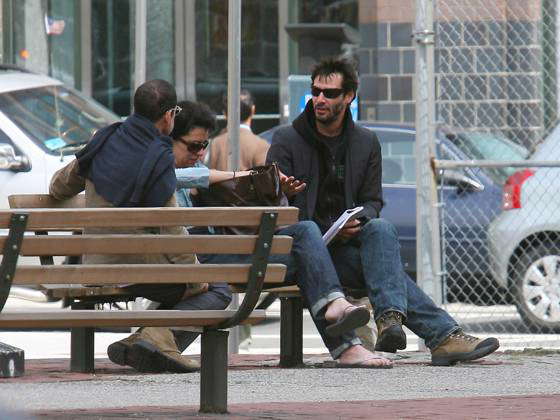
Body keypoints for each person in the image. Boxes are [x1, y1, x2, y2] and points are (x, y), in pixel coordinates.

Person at [266, 57, 500, 366]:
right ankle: (441, 335)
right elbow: (271, 203)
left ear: (349, 96)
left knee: (381, 228)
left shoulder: (365, 142)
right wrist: (284, 191)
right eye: (316, 91)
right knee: (383, 268)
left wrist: (357, 220)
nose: (320, 99)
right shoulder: (287, 139)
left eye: (330, 93)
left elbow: (373, 201)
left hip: (342, 250)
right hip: (302, 249)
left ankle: (391, 321)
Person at [49, 79, 206, 374]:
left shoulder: (104, 139)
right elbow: (171, 228)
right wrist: (195, 275)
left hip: (96, 266)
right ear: (168, 116)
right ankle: (153, 340)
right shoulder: (159, 156)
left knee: (199, 282)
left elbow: (58, 187)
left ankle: (148, 339)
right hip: (138, 270)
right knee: (216, 289)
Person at [208, 89, 270, 171]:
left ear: (225, 113)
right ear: (253, 110)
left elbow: (210, 174)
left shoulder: (215, 143)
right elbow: (265, 176)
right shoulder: (262, 144)